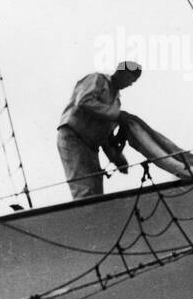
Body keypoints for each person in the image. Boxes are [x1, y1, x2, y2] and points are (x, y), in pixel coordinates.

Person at [56, 61, 141, 200]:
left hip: (91, 146)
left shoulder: (116, 102)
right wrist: (117, 115)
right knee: (85, 190)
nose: (130, 84)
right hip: (73, 137)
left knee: (96, 192)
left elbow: (105, 137)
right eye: (131, 79)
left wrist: (118, 159)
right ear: (121, 72)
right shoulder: (97, 79)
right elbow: (83, 101)